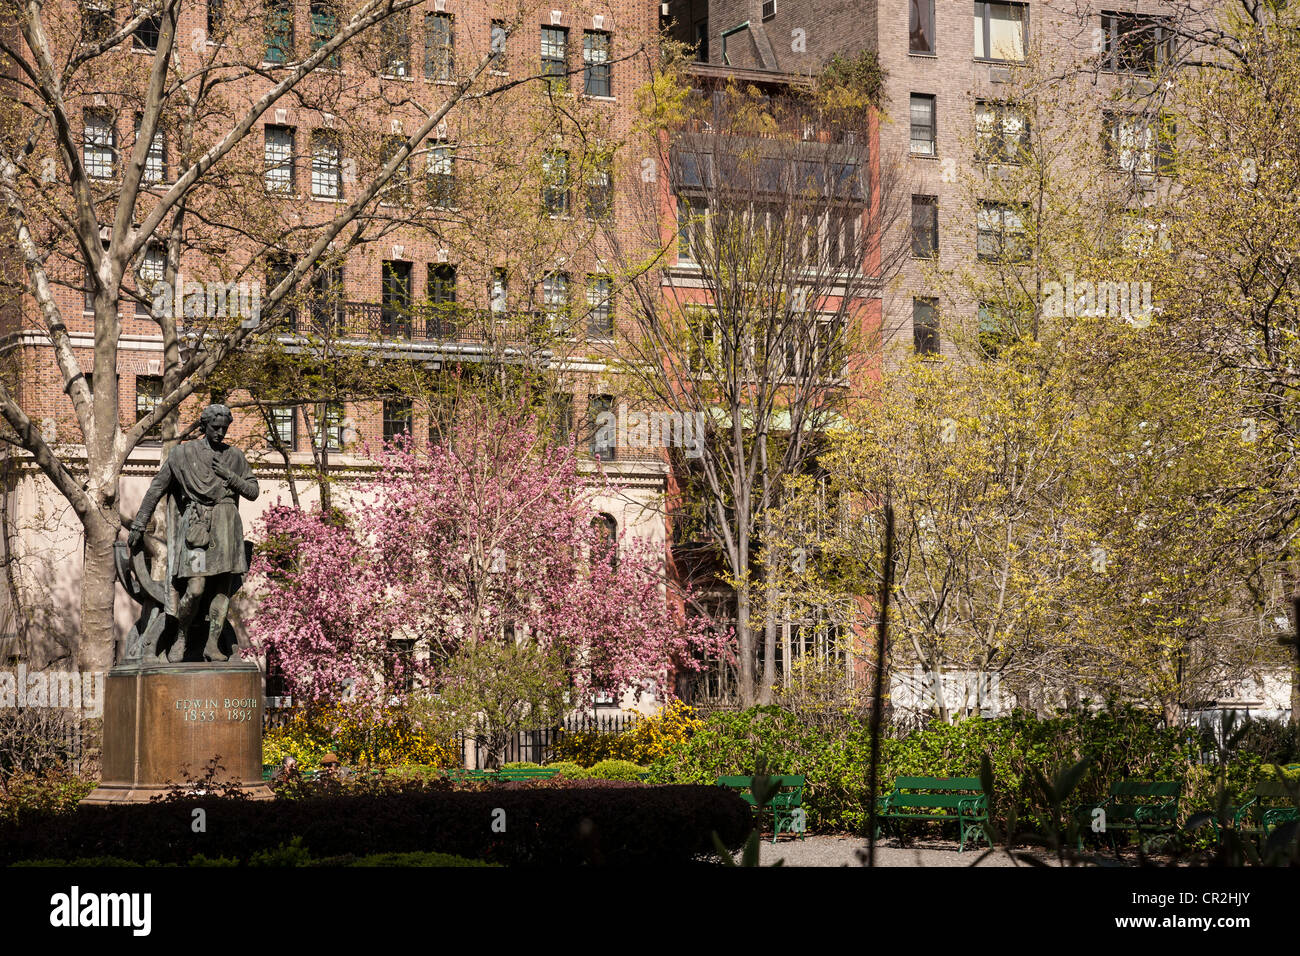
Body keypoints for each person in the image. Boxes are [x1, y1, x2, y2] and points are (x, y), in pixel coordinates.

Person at [128, 404, 259, 661]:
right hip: (197, 528)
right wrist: (139, 522)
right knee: (196, 587)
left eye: (224, 428)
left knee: (222, 590)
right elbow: (157, 488)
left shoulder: (235, 456)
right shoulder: (183, 455)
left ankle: (212, 643)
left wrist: (229, 476)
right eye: (215, 427)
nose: (221, 432)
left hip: (227, 527)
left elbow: (253, 491)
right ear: (204, 426)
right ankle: (181, 634)